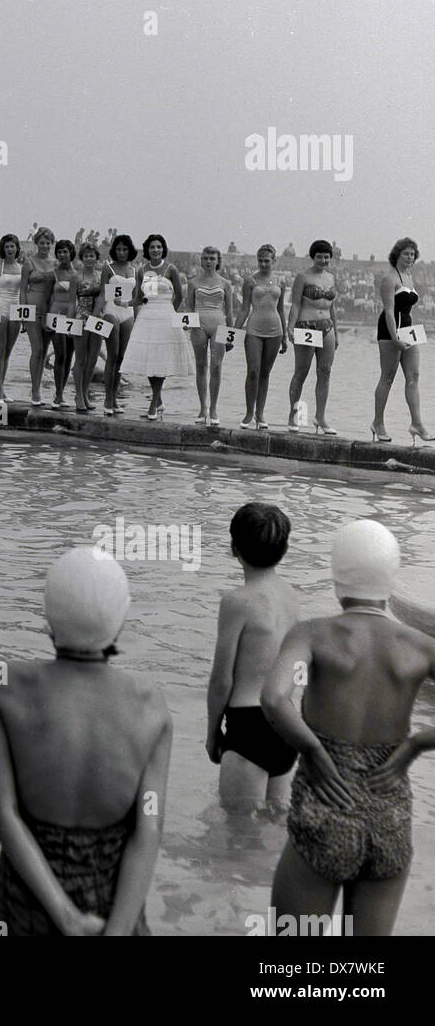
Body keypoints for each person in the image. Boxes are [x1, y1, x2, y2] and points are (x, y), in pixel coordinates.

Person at [0, 546, 171, 936]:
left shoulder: (7, 689)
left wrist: (66, 916)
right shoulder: (150, 705)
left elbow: (5, 815)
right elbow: (147, 830)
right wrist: (118, 931)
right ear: (119, 618)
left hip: (28, 903)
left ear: (49, 613)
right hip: (114, 901)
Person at [263, 520, 435, 937]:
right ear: (391, 580)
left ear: (336, 576)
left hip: (326, 808)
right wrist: (414, 746)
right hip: (390, 813)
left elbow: (273, 698)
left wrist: (314, 751)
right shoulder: (421, 645)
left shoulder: (313, 634)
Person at [206, 504, 300, 811]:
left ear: (234, 548)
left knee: (236, 838)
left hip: (249, 726)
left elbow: (222, 680)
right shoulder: (291, 597)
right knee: (272, 835)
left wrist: (212, 733)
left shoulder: (237, 602)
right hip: (285, 725)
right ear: (285, 551)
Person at [121, 234, 193, 421]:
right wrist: (122, 303)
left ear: (163, 249)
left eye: (159, 247)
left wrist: (169, 311)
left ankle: (153, 403)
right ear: (147, 250)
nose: (156, 250)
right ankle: (158, 400)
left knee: (160, 359)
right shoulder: (141, 270)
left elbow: (179, 296)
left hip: (165, 316)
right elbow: (138, 298)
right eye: (152, 247)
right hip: (147, 316)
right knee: (149, 360)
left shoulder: (171, 269)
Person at [371, 237, 431, 444]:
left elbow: (407, 310)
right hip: (390, 330)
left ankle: (417, 423)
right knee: (387, 377)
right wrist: (395, 338)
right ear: (397, 255)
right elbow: (389, 311)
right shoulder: (390, 278)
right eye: (406, 253)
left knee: (413, 376)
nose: (409, 257)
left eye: (413, 254)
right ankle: (378, 422)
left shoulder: (409, 277)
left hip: (408, 328)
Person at [286, 239, 339, 434]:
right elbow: (296, 305)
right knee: (301, 372)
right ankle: (293, 416)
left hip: (327, 326)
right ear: (313, 257)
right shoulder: (303, 277)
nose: (323, 260)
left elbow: (332, 307)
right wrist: (290, 327)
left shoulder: (331, 278)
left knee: (325, 372)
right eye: (319, 257)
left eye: (326, 257)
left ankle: (320, 417)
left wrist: (337, 332)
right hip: (306, 325)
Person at [236, 244, 287, 429]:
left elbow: (281, 310)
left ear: (274, 261)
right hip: (254, 329)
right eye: (261, 260)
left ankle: (260, 413)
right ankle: (249, 413)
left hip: (275, 330)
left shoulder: (281, 281)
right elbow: (244, 309)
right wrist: (234, 331)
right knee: (253, 371)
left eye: (267, 261)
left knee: (265, 373)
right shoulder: (250, 280)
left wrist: (285, 337)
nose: (264, 264)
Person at [185, 246, 235, 426]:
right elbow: (189, 309)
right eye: (205, 258)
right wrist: (188, 325)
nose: (208, 262)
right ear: (201, 260)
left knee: (216, 366)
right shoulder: (193, 283)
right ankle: (202, 407)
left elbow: (229, 313)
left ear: (217, 261)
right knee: (201, 366)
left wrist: (231, 335)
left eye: (212, 259)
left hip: (219, 325)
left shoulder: (225, 283)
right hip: (199, 324)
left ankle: (213, 408)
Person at [99, 235, 137, 416]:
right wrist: (95, 314)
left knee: (123, 358)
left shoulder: (135, 270)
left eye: (125, 249)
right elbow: (102, 294)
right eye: (119, 249)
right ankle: (107, 399)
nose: (122, 253)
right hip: (111, 311)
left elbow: (138, 298)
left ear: (130, 250)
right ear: (115, 250)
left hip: (128, 312)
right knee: (112, 355)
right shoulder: (108, 269)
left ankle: (115, 397)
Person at [19, 227, 55, 407]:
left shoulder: (56, 263)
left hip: (50, 309)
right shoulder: (29, 263)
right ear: (36, 243)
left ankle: (39, 387)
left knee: (45, 349)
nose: (45, 246)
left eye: (48, 243)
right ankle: (35, 391)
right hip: (32, 308)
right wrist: (23, 314)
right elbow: (22, 290)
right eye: (42, 243)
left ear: (51, 244)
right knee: (38, 349)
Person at [0, 235, 23, 403]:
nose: (10, 249)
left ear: (17, 248)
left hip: (16, 309)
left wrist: (24, 317)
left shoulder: (23, 268)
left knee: (8, 351)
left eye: (12, 246)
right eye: (7, 246)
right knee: (0, 349)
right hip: (0, 307)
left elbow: (24, 292)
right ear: (3, 248)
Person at [43, 239, 78, 408]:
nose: (62, 255)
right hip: (56, 315)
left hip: (72, 316)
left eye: (65, 251)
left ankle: (62, 394)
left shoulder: (77, 274)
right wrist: (45, 319)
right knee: (60, 354)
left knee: (69, 356)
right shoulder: (53, 274)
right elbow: (48, 298)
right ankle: (57, 395)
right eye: (60, 252)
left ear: (71, 253)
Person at [72, 242, 104, 413]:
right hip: (81, 317)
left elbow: (106, 297)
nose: (89, 258)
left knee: (93, 360)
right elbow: (71, 301)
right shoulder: (76, 277)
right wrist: (71, 323)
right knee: (81, 359)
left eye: (92, 255)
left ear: (96, 258)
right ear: (82, 258)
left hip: (97, 319)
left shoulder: (101, 276)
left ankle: (85, 393)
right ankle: (78, 395)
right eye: (86, 256)